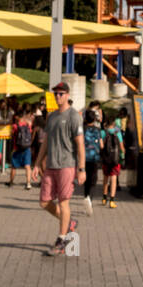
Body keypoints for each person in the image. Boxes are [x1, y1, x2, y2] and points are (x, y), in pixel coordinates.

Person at [34, 82, 84, 256]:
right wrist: (37, 163)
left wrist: (82, 168)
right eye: (55, 94)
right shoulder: (52, 116)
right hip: (51, 165)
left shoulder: (74, 116)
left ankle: (62, 239)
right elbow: (45, 141)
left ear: (68, 95)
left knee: (64, 202)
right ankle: (69, 222)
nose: (57, 97)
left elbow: (80, 144)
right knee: (44, 201)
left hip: (66, 165)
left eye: (61, 94)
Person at [100, 112, 125, 208]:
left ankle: (104, 198)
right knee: (113, 178)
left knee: (105, 177)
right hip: (115, 159)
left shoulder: (103, 132)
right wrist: (123, 156)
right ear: (114, 123)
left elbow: (101, 146)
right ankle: (112, 200)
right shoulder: (117, 132)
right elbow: (122, 146)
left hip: (106, 158)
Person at [81, 109, 103, 214]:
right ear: (94, 119)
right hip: (94, 158)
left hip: (84, 158)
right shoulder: (97, 130)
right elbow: (102, 145)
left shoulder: (82, 129)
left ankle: (86, 197)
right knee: (93, 181)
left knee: (86, 180)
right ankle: (90, 199)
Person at [7, 110, 34, 190]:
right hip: (27, 148)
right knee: (27, 166)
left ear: (17, 117)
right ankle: (28, 183)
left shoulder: (15, 126)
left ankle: (11, 182)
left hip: (17, 148)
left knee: (14, 166)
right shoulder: (28, 125)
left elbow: (11, 134)